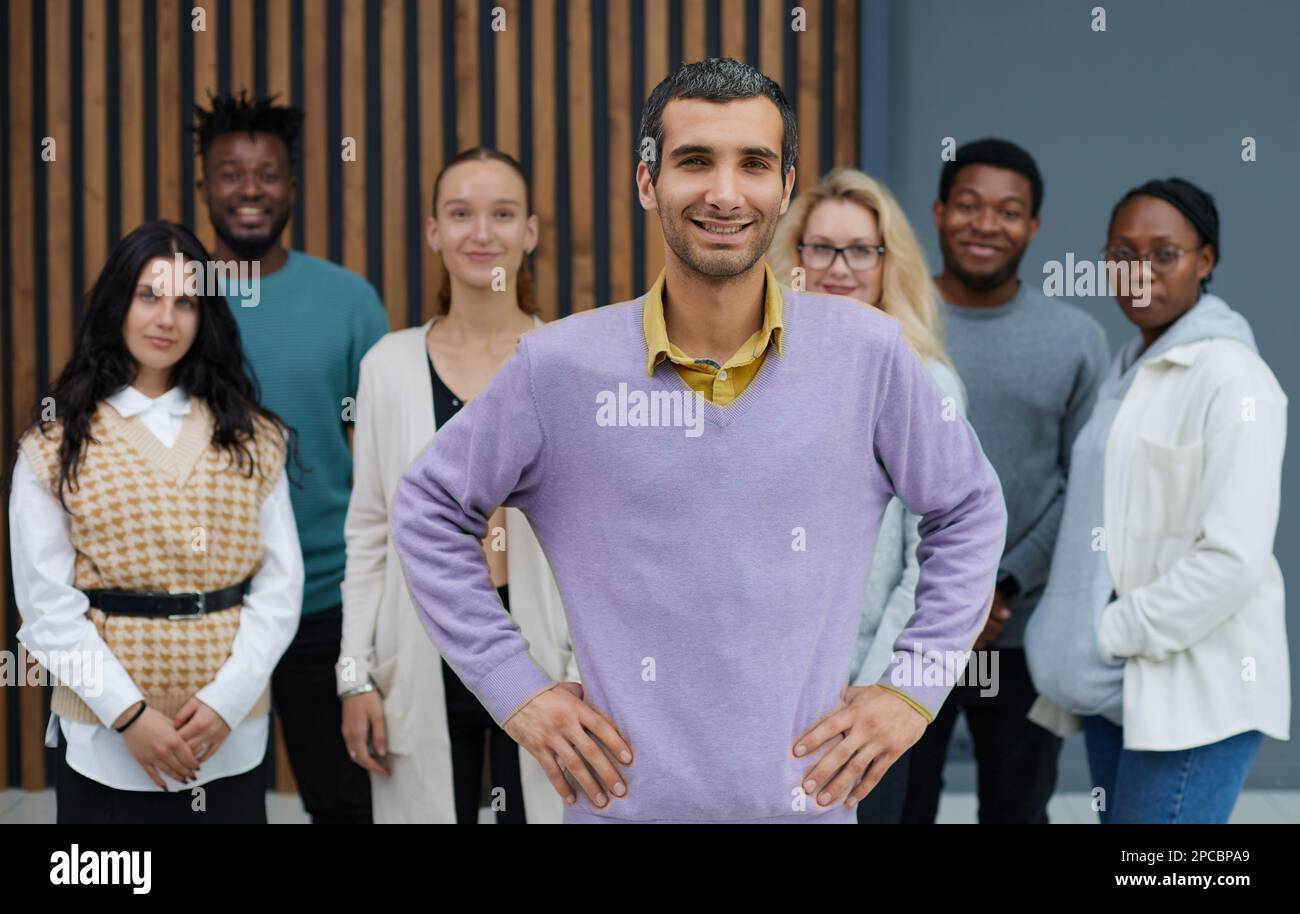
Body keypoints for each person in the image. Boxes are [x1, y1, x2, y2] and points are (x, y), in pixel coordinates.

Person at [390, 58, 1007, 824]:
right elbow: (425, 508)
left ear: (785, 187)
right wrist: (517, 690)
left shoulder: (870, 355)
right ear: (647, 183)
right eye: (693, 161)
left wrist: (911, 689)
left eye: (753, 164)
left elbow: (970, 508)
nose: (724, 192)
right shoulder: (558, 369)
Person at [9, 221, 303, 823]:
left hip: (226, 737)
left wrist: (226, 700)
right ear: (118, 303)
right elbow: (45, 604)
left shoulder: (252, 436)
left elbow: (281, 586)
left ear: (204, 317)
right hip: (104, 740)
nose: (165, 318)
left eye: (185, 302)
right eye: (149, 296)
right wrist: (130, 715)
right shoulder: (55, 443)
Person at [1025, 178, 1289, 823]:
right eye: (1121, 254)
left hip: (1192, 687)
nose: (1139, 273)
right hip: (1125, 688)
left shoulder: (1233, 377)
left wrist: (1108, 634)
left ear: (1206, 260)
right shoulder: (1130, 369)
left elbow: (1233, 558)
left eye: (1163, 254)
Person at [338, 147, 578, 824]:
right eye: (460, 213)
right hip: (419, 654)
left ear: (529, 231)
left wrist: (585, 670)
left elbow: (600, 542)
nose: (482, 232)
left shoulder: (565, 363)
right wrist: (354, 675)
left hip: (542, 655)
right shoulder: (388, 367)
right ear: (433, 232)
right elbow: (370, 533)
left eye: (502, 213)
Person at [901, 138, 1110, 824]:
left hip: (1019, 630)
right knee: (894, 808)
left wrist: (1000, 585)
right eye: (968, 205)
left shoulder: (1075, 338)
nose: (986, 223)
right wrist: (947, 595)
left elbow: (1083, 488)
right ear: (937, 212)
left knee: (1017, 813)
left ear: (1034, 227)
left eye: (1009, 210)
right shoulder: (894, 326)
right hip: (902, 629)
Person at [194, 91, 389, 823]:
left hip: (324, 601)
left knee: (348, 801)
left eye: (267, 174)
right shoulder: (174, 302)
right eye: (230, 173)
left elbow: (385, 459)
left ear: (293, 187)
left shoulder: (348, 301)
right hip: (206, 605)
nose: (249, 190)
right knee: (205, 802)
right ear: (206, 186)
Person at [769, 166, 968, 824]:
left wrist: (884, 688)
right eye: (820, 247)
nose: (838, 267)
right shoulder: (756, 370)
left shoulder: (923, 381)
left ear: (889, 264)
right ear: (794, 258)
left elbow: (933, 555)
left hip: (860, 699)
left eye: (861, 250)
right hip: (761, 688)